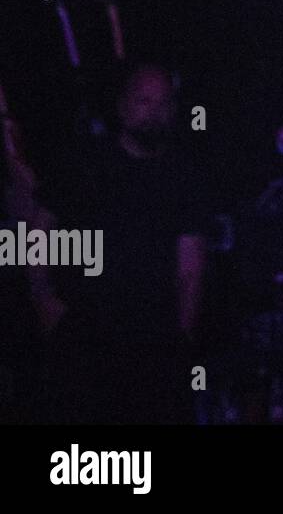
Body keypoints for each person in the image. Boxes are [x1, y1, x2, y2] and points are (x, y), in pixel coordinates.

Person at [35, 62, 209, 423]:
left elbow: (191, 266)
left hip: (154, 340)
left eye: (162, 104)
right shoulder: (84, 165)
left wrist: (182, 338)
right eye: (144, 102)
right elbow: (37, 229)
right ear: (123, 105)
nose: (153, 113)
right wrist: (44, 299)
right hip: (85, 336)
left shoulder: (182, 175)